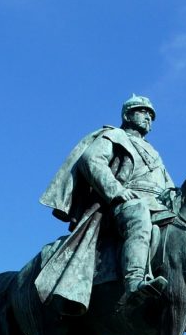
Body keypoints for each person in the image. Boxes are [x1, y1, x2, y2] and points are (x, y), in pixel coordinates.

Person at [40, 94, 175, 310]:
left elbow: (168, 185)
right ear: (127, 115)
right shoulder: (114, 135)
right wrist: (117, 190)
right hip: (124, 202)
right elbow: (91, 160)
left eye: (151, 115)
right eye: (142, 111)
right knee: (139, 216)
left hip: (157, 204)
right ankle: (134, 281)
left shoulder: (154, 152)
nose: (148, 117)